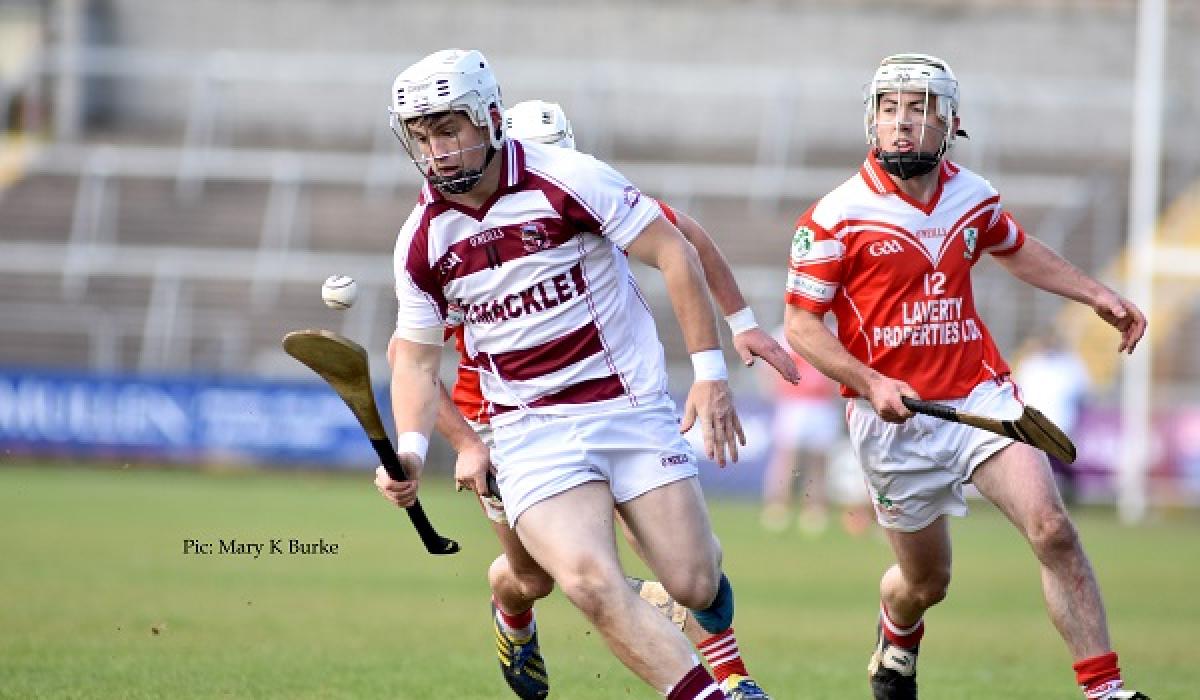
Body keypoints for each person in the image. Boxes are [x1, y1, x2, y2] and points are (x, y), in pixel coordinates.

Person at [377, 49, 757, 700]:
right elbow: (412, 358)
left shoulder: (569, 178)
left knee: (694, 583)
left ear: (490, 118)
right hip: (530, 431)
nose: (437, 151)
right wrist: (413, 449)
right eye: (422, 136)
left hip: (628, 406)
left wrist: (711, 372)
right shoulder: (422, 238)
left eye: (448, 130)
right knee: (584, 580)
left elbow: (675, 247)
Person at [782, 53, 1149, 700]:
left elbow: (1015, 248)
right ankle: (897, 631)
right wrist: (870, 382)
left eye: (918, 108)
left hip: (981, 397)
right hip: (891, 421)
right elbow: (801, 327)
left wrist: (1096, 294)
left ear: (950, 122)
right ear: (871, 119)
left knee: (1053, 530)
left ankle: (1105, 689)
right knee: (926, 582)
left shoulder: (972, 195)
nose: (901, 122)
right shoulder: (834, 216)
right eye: (889, 108)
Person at [758, 324, 843, 535]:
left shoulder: (833, 333)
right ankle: (778, 506)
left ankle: (815, 509)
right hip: (794, 403)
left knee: (818, 461)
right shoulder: (787, 332)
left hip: (823, 405)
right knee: (787, 458)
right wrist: (776, 392)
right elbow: (768, 368)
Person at [1014, 329, 1092, 505]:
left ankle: (1067, 496)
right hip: (1034, 422)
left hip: (1061, 421)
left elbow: (1081, 392)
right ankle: (1036, 498)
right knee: (1036, 463)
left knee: (1060, 462)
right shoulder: (1031, 364)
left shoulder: (1071, 365)